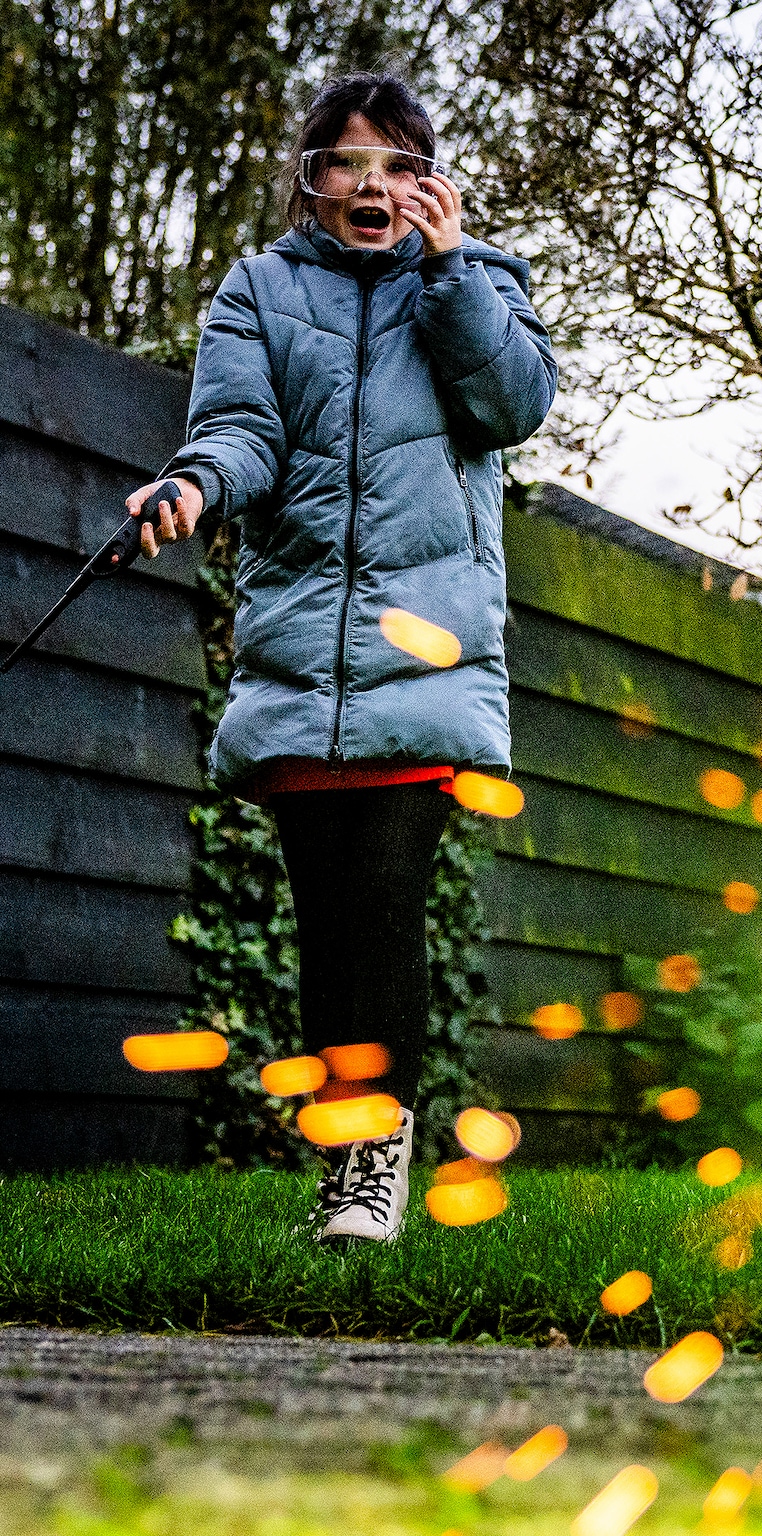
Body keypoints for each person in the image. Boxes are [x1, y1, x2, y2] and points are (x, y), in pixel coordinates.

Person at [129, 73, 556, 1242]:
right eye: (342, 163)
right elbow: (240, 432)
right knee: (329, 923)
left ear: (427, 182)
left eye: (394, 164)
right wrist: (193, 484)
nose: (368, 186)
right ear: (308, 182)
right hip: (299, 658)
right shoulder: (257, 292)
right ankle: (353, 1157)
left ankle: (370, 1170)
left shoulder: (483, 281)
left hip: (425, 653)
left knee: (384, 900)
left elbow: (512, 406)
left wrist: (449, 274)